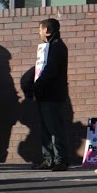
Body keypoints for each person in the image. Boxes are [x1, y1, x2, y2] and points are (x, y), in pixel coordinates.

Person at [32, 18, 71, 171]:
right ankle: (48, 159)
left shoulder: (57, 47)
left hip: (52, 95)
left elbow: (50, 70)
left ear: (47, 30)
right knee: (46, 129)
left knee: (54, 128)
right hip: (45, 94)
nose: (39, 33)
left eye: (40, 29)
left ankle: (60, 159)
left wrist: (37, 85)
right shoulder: (49, 47)